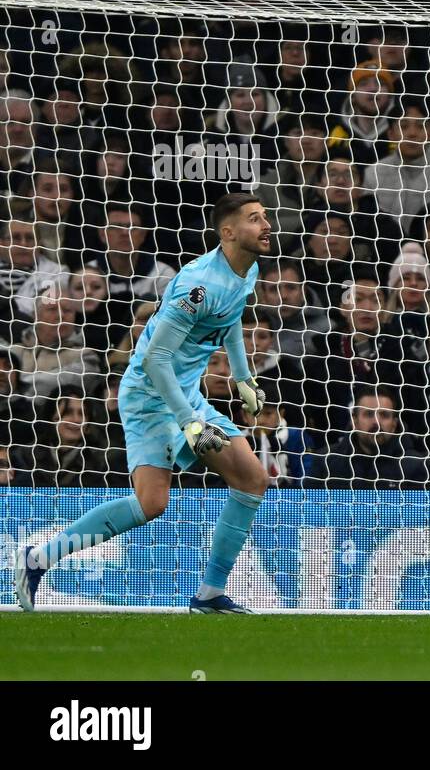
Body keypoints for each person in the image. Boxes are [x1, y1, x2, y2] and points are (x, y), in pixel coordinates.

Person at [14, 194, 273, 614]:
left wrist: (243, 378)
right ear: (228, 232)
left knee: (251, 480)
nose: (266, 225)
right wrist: (190, 421)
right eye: (255, 218)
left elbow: (230, 321)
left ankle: (209, 595)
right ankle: (37, 559)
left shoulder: (248, 269)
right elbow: (155, 359)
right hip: (150, 396)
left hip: (183, 392)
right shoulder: (197, 285)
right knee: (154, 502)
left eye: (265, 216)